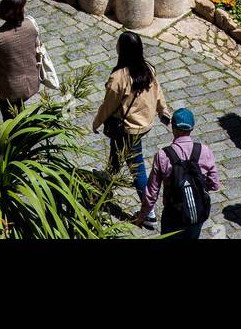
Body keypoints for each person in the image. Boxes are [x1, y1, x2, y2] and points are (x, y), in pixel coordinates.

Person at [93, 31, 171, 228]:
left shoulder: (119, 77)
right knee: (116, 155)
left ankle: (149, 211)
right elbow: (158, 92)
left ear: (122, 50)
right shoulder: (148, 70)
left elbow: (108, 106)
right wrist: (163, 111)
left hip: (127, 129)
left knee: (136, 168)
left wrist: (96, 122)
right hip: (143, 124)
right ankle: (108, 180)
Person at [134, 108, 219, 240]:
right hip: (197, 215)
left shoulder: (163, 156)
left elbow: (152, 193)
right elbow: (214, 185)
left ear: (173, 127)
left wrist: (142, 216)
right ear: (192, 128)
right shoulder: (204, 151)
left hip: (173, 216)